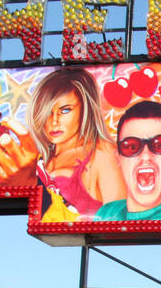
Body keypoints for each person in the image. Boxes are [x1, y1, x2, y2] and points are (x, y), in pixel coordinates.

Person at [29, 69, 127, 222]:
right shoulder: (38, 158)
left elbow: (117, 218)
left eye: (65, 110)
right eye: (48, 112)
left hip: (96, 238)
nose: (54, 121)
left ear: (86, 108)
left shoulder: (103, 152)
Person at [95, 101, 161, 221]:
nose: (146, 156)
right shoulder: (106, 214)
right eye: (132, 147)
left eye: (160, 145)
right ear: (118, 158)